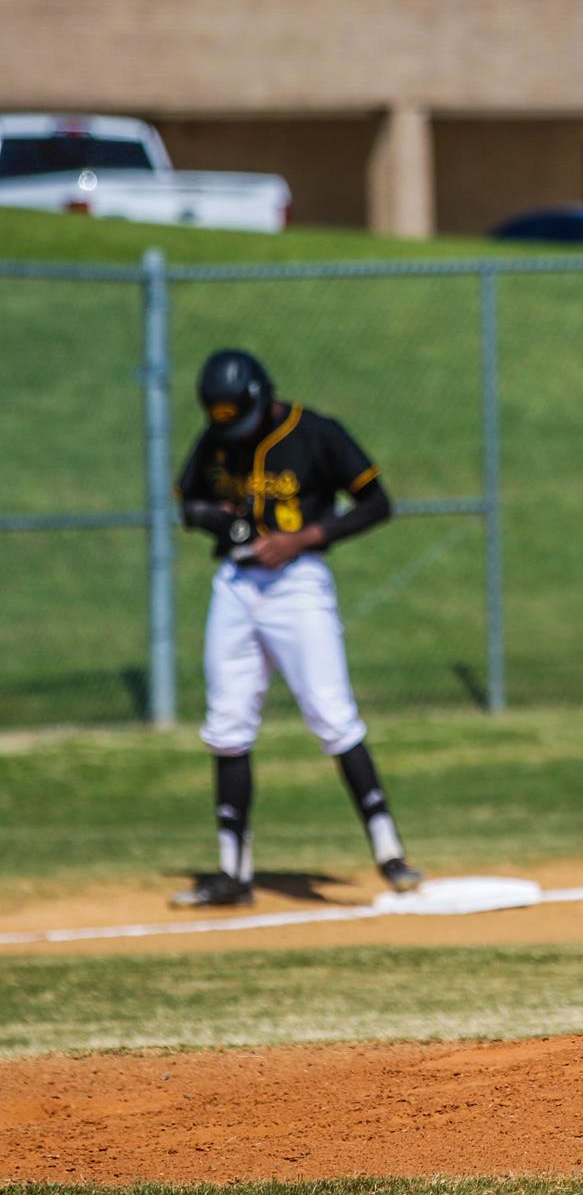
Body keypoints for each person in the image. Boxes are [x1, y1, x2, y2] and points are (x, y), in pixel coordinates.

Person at [170, 348, 423, 908]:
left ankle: (390, 854)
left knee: (332, 714)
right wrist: (216, 520)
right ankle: (232, 873)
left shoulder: (316, 433)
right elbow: (189, 501)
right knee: (227, 722)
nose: (231, 429)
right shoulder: (217, 438)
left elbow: (377, 503)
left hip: (298, 583)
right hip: (236, 584)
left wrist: (304, 539)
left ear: (263, 397)